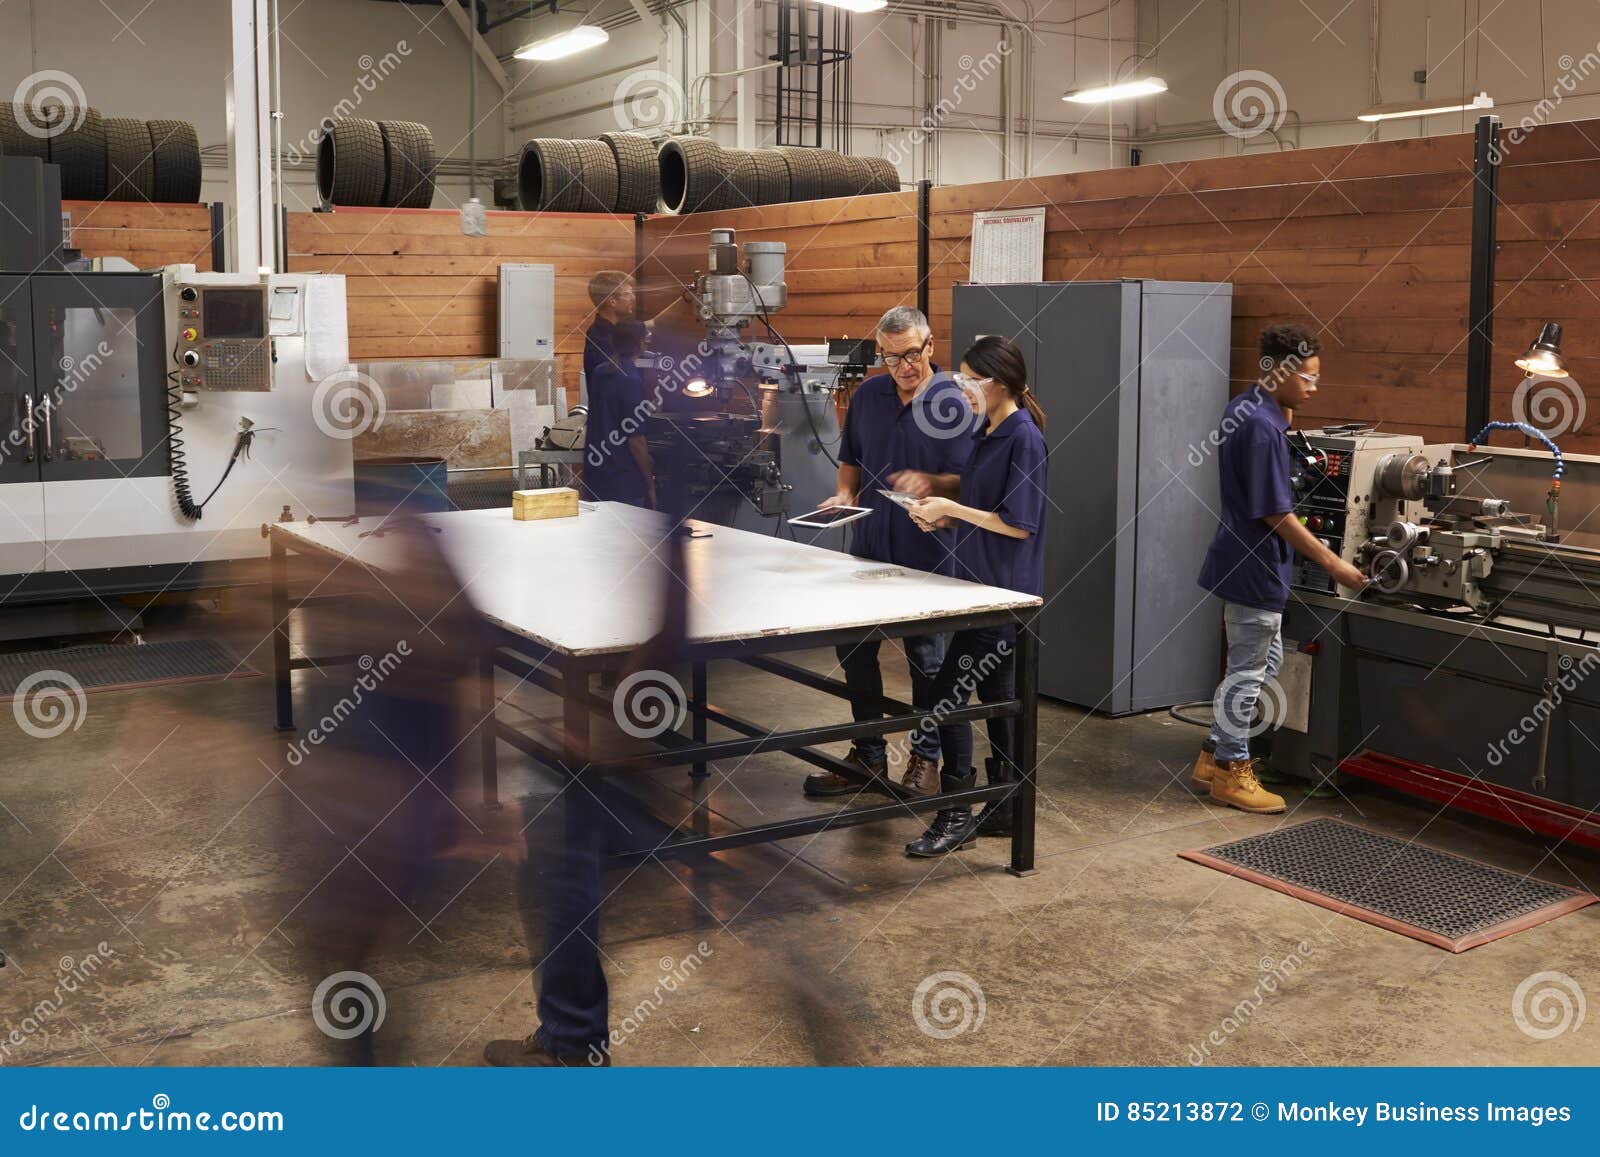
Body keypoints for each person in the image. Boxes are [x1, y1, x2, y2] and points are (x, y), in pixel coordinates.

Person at [1191, 323, 1369, 813]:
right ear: (1279, 372)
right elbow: (1276, 513)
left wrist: (1287, 407)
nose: (1315, 387)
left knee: (1261, 664)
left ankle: (1211, 756)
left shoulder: (1249, 407)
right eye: (1307, 378)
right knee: (1248, 674)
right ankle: (1231, 771)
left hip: (1248, 560)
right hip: (1256, 565)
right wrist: (1336, 564)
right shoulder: (1261, 427)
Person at [809, 306, 978, 799]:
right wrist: (845, 496)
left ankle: (926, 759)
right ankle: (869, 754)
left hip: (929, 550)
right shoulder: (868, 395)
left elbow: (975, 482)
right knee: (855, 649)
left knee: (928, 662)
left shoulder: (958, 401)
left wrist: (935, 483)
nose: (904, 366)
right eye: (890, 357)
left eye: (912, 354)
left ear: (930, 346)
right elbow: (849, 461)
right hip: (870, 547)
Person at [899, 335, 1048, 856]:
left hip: (1004, 600)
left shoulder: (1023, 438)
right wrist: (939, 514)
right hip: (978, 590)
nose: (959, 389)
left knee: (944, 701)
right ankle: (1005, 808)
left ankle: (955, 813)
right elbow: (983, 507)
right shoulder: (990, 431)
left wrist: (953, 510)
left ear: (999, 383)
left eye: (969, 380)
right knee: (999, 708)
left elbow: (1018, 525)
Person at [579, 320, 655, 510]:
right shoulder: (630, 379)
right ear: (640, 344)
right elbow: (635, 439)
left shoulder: (599, 372)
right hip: (623, 480)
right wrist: (650, 482)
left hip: (596, 473)